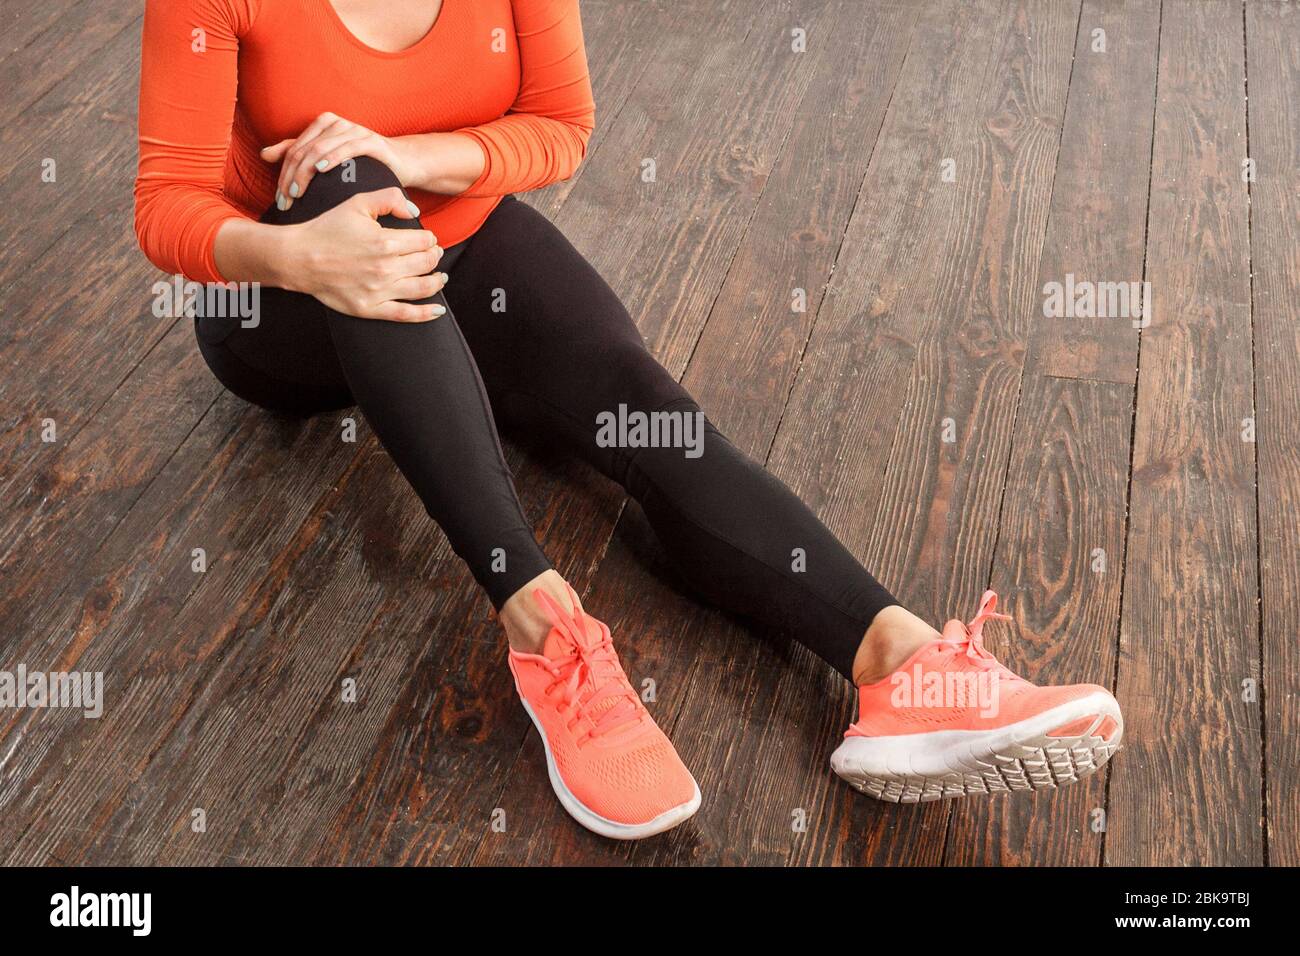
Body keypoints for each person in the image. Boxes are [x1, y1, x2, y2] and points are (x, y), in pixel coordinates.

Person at [135, 0, 1123, 840]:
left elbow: (558, 125)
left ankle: (897, 660)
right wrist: (308, 257)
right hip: (276, 297)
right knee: (344, 179)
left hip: (461, 246)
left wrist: (403, 150)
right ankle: (545, 627)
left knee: (639, 400)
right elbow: (165, 203)